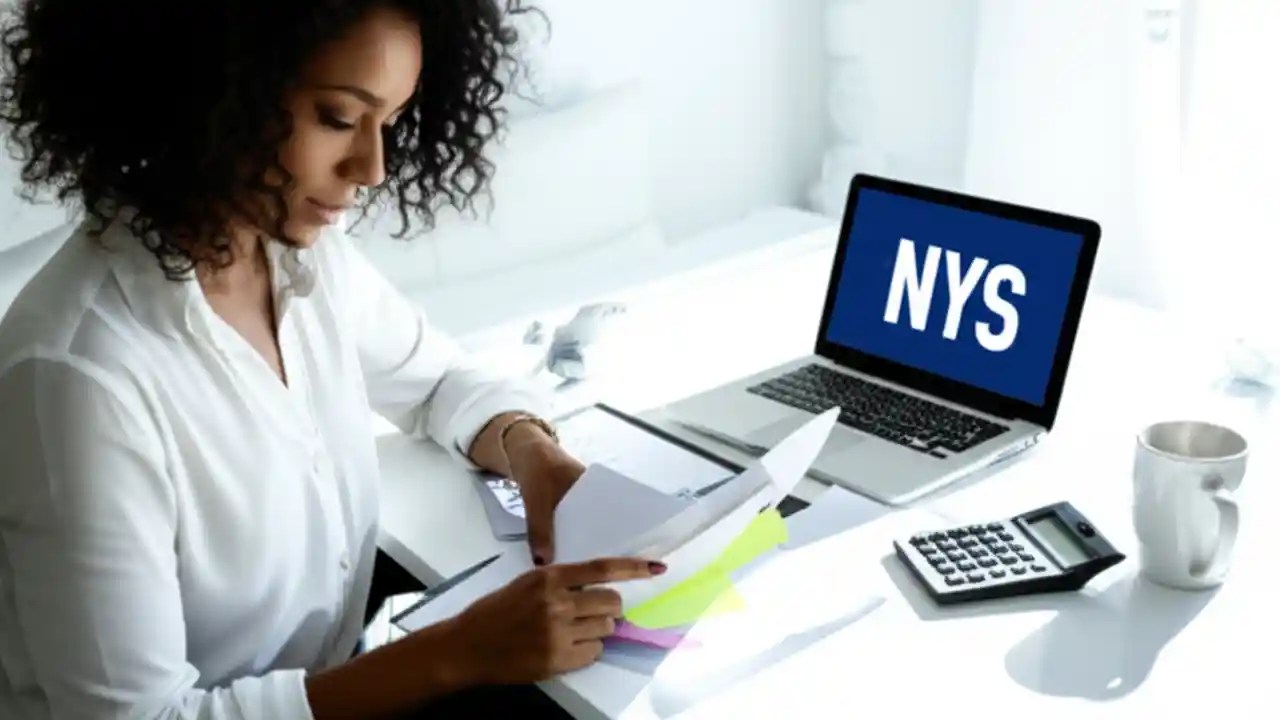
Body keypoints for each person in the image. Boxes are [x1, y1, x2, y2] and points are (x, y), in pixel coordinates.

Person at [0, 1, 665, 718]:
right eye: (340, 119)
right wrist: (460, 651)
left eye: (392, 122)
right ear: (212, 92)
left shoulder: (295, 260)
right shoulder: (78, 377)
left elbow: (439, 380)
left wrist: (535, 457)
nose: (373, 168)